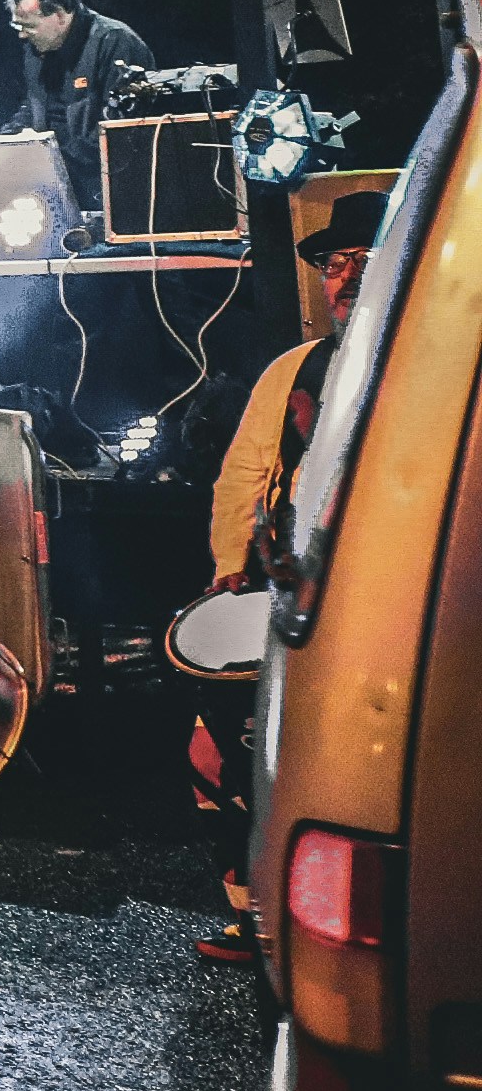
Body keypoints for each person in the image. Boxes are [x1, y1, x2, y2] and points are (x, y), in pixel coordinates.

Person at [184, 185, 385, 963]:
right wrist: (228, 570)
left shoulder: (439, 366)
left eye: (365, 259)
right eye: (335, 261)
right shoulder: (293, 370)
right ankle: (253, 913)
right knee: (214, 754)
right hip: (289, 599)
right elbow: (243, 476)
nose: (345, 275)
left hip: (385, 607)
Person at [2, 0, 156, 213]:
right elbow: (34, 109)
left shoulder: (115, 42)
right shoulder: (36, 51)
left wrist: (54, 163)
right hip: (53, 193)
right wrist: (3, 143)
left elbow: (121, 133)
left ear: (61, 16)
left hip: (108, 196)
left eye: (29, 26)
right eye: (18, 26)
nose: (22, 35)